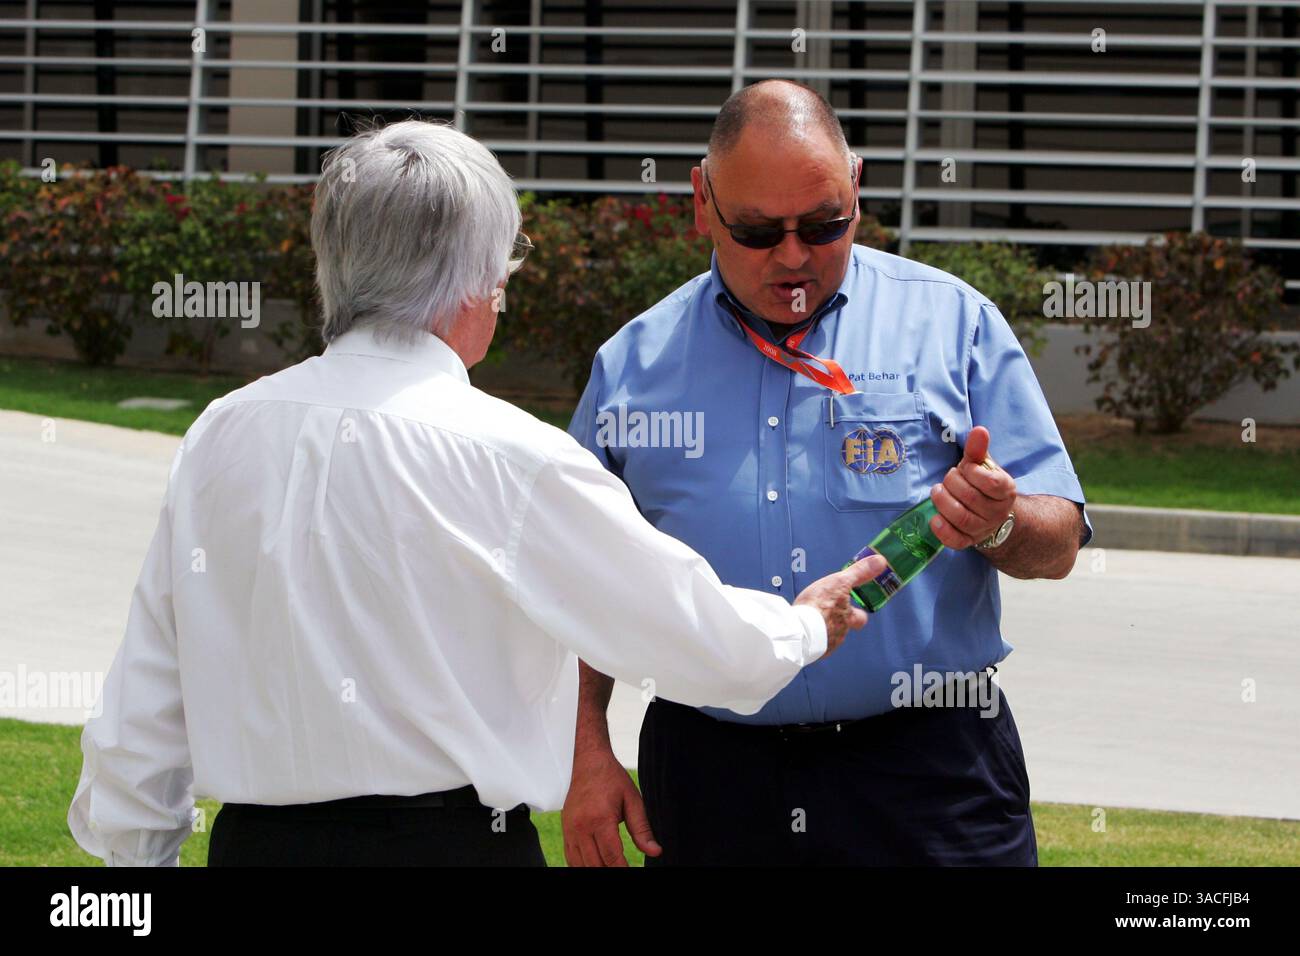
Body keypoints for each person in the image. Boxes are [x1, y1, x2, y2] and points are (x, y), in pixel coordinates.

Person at [66, 119, 882, 867]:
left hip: (258, 845)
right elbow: (698, 640)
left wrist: (136, 857)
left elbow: (146, 700)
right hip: (452, 846)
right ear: (474, 280)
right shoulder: (509, 454)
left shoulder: (222, 430)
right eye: (503, 269)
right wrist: (808, 625)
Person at [562, 80, 1092, 866]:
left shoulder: (953, 324)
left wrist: (1002, 522)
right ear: (702, 203)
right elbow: (580, 582)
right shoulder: (634, 366)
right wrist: (587, 753)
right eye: (756, 229)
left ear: (858, 186)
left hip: (930, 774)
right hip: (714, 776)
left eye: (822, 224)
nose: (792, 255)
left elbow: (1059, 544)